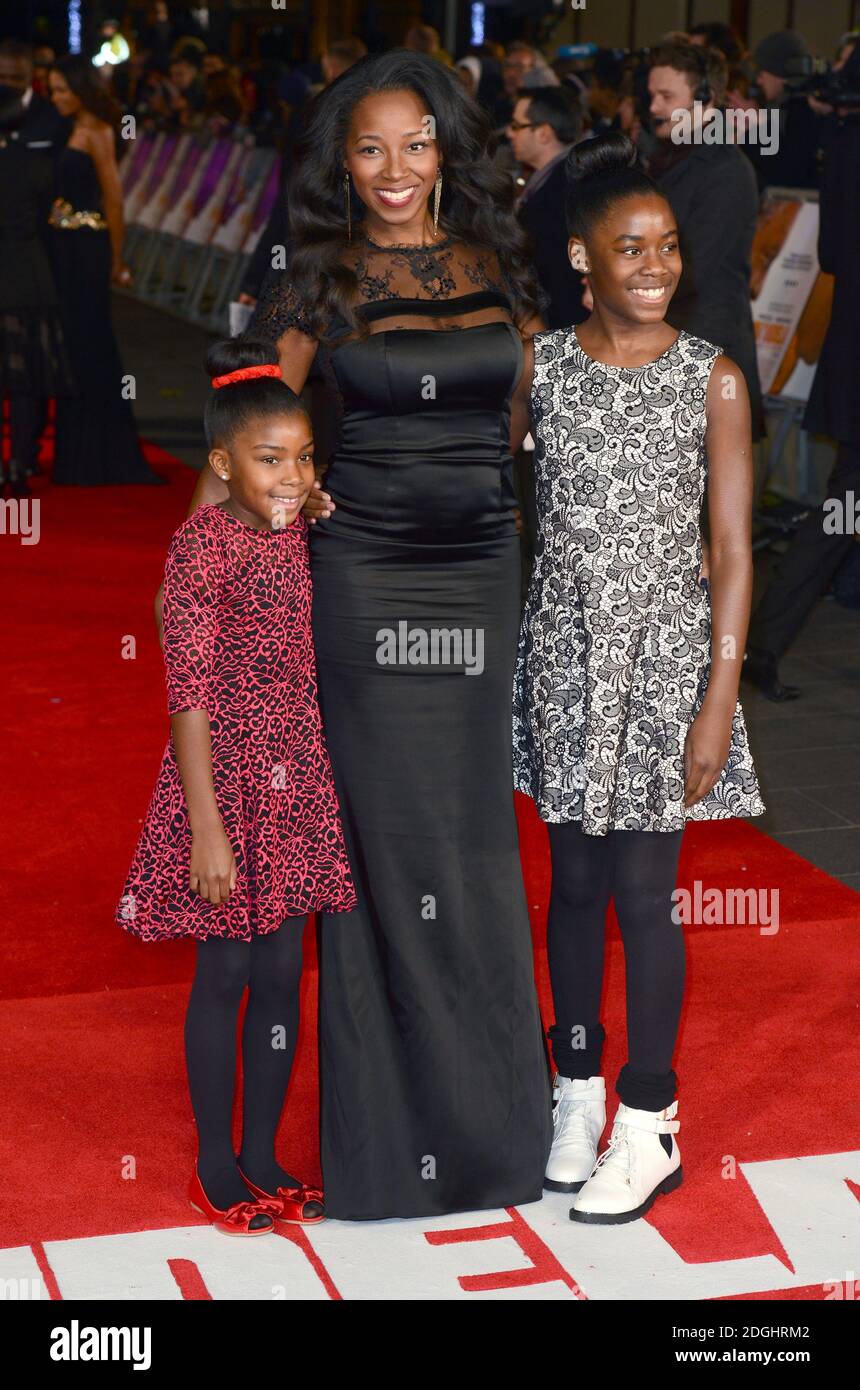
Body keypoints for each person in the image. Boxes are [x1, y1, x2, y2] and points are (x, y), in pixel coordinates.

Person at [182, 49, 554, 1220]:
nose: (394, 170)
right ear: (342, 164)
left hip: (481, 572)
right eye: (368, 149)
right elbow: (255, 426)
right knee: (388, 845)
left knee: (473, 843)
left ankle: (493, 1129)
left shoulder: (501, 265)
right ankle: (395, 1144)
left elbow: (531, 423)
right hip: (367, 580)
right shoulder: (319, 280)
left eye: (415, 144)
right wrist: (214, 558)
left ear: (447, 148)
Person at [513, 133, 764, 1224]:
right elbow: (491, 495)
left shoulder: (709, 378)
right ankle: (573, 1088)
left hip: (665, 663)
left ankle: (649, 1114)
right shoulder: (540, 366)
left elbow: (736, 549)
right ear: (582, 256)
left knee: (639, 896)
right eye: (629, 246)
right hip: (564, 657)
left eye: (664, 245)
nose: (654, 263)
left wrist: (717, 699)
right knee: (569, 889)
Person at [118, 337, 356, 1234]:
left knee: (280, 974)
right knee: (224, 973)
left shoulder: (291, 521)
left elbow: (299, 505)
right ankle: (214, 1163)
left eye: (302, 458)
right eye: (269, 461)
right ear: (221, 465)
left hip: (295, 784)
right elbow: (186, 700)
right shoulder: (199, 551)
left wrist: (304, 496)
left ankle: (262, 1150)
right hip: (221, 786)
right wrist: (208, 830)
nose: (290, 475)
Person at [745, 40, 860, 701]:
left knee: (843, 508)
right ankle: (761, 645)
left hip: (849, 356)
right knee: (842, 508)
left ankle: (763, 645)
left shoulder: (841, 141)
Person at [47, 55, 161, 484]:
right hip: (65, 247)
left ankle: (101, 454)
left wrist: (117, 258)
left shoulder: (96, 131)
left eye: (62, 89)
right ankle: (80, 455)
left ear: (81, 88)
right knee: (76, 347)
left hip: (88, 250)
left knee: (91, 345)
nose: (56, 97)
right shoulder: (68, 127)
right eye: (52, 89)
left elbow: (113, 199)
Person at [648, 42, 764, 441]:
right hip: (672, 341)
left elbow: (693, 266)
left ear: (704, 99)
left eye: (666, 97)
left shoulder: (727, 170)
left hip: (706, 347)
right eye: (651, 96)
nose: (654, 108)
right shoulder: (668, 157)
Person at [0, 40, 72, 491]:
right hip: (28, 277)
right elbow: (53, 217)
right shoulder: (42, 169)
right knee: (26, 377)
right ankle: (21, 461)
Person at [508, 85, 586, 329]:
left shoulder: (563, 191)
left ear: (543, 133)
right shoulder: (559, 178)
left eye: (517, 126)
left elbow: (557, 277)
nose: (510, 134)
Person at [747, 30, 821, 192]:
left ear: (779, 73)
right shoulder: (783, 108)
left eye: (761, 73)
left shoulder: (803, 113)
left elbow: (785, 174)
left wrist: (757, 128)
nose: (758, 81)